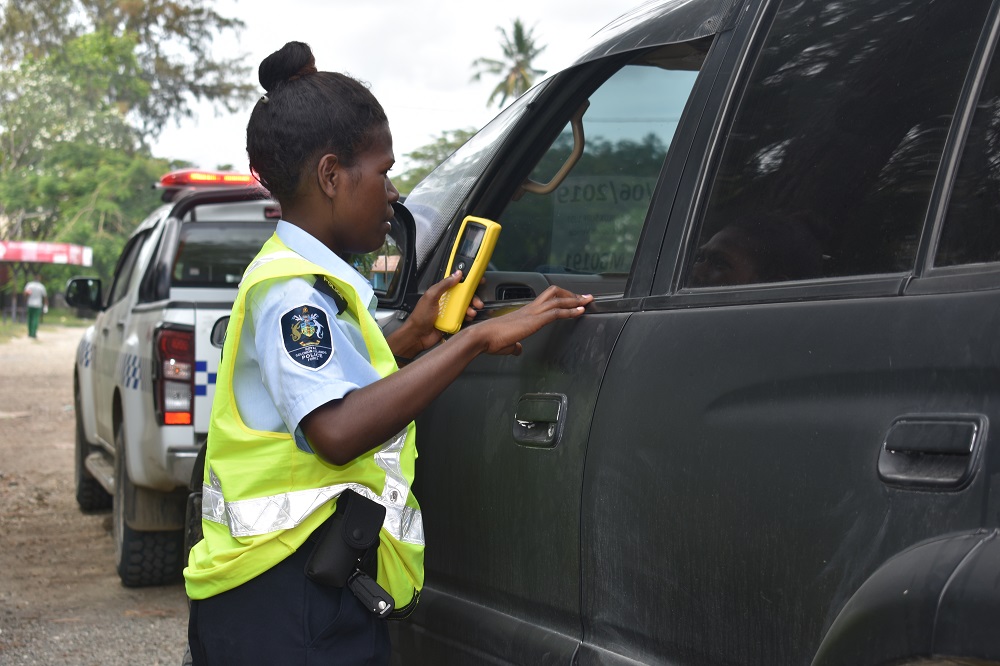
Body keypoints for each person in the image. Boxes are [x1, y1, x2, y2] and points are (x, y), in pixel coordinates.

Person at [183, 41, 593, 665]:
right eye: (383, 172)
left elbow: (324, 390)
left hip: (287, 589)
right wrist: (473, 341)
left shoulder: (311, 281)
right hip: (284, 600)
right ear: (330, 176)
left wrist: (414, 339)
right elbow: (335, 430)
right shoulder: (295, 293)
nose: (394, 192)